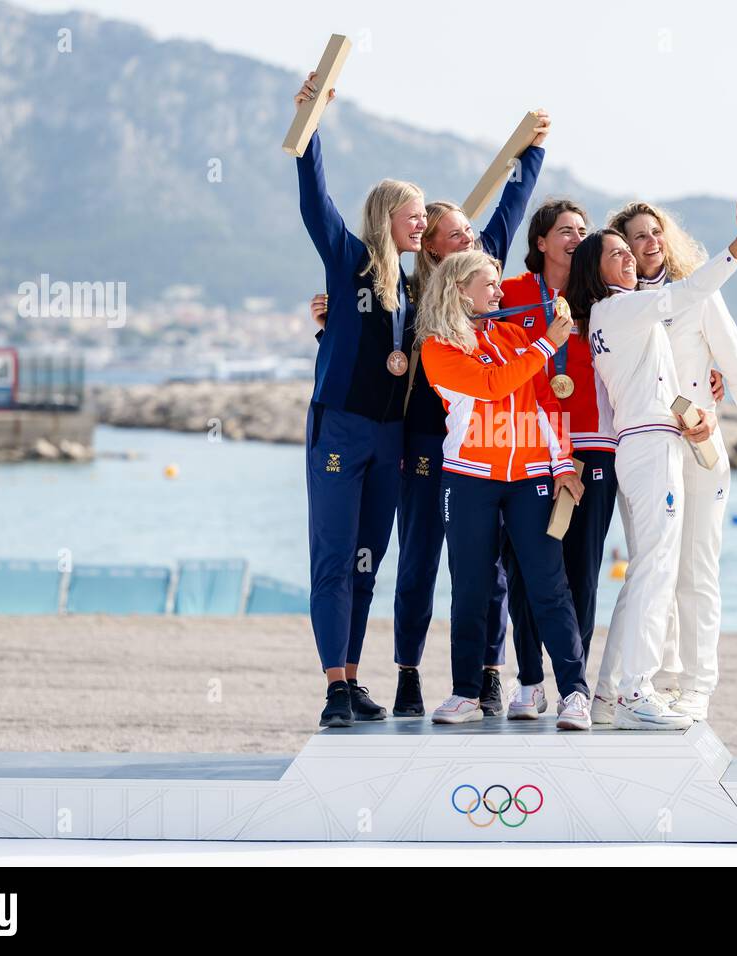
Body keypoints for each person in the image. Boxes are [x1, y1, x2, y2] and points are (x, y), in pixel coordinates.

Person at [564, 201, 737, 729]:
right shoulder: (631, 307)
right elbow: (683, 296)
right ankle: (636, 690)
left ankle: (613, 692)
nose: (642, 249)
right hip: (655, 446)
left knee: (660, 571)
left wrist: (718, 403)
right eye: (624, 246)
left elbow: (718, 363)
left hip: (650, 447)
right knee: (657, 570)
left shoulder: (614, 315)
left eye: (655, 235)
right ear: (605, 266)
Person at [393, 115, 551, 719]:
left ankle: (489, 673)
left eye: (468, 231)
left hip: (481, 444)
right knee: (419, 560)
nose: (468, 241)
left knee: (489, 564)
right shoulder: (408, 295)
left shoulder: (481, 276)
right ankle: (409, 673)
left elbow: (511, 208)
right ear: (429, 245)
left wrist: (532, 152)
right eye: (453, 234)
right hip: (425, 441)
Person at [292, 74, 426, 727]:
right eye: (414, 213)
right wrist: (310, 125)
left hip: (391, 436)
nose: (423, 223)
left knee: (369, 561)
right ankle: (334, 687)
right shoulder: (347, 260)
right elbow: (315, 202)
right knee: (334, 558)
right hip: (341, 428)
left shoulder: (413, 287)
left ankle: (353, 679)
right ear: (386, 216)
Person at [417, 251, 591, 729]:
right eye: (489, 284)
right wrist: (542, 346)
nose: (498, 293)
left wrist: (560, 466)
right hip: (469, 477)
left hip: (530, 478)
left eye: (498, 283)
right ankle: (465, 693)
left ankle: (574, 693)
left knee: (549, 586)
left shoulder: (514, 335)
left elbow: (540, 404)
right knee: (471, 589)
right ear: (458, 290)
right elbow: (493, 386)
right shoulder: (438, 347)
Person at [489, 199, 612, 719]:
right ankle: (531, 681)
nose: (575, 238)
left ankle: (574, 688)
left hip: (590, 443)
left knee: (580, 569)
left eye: (582, 231)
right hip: (530, 442)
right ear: (540, 241)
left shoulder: (601, 293)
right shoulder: (511, 293)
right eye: (565, 230)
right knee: (526, 568)